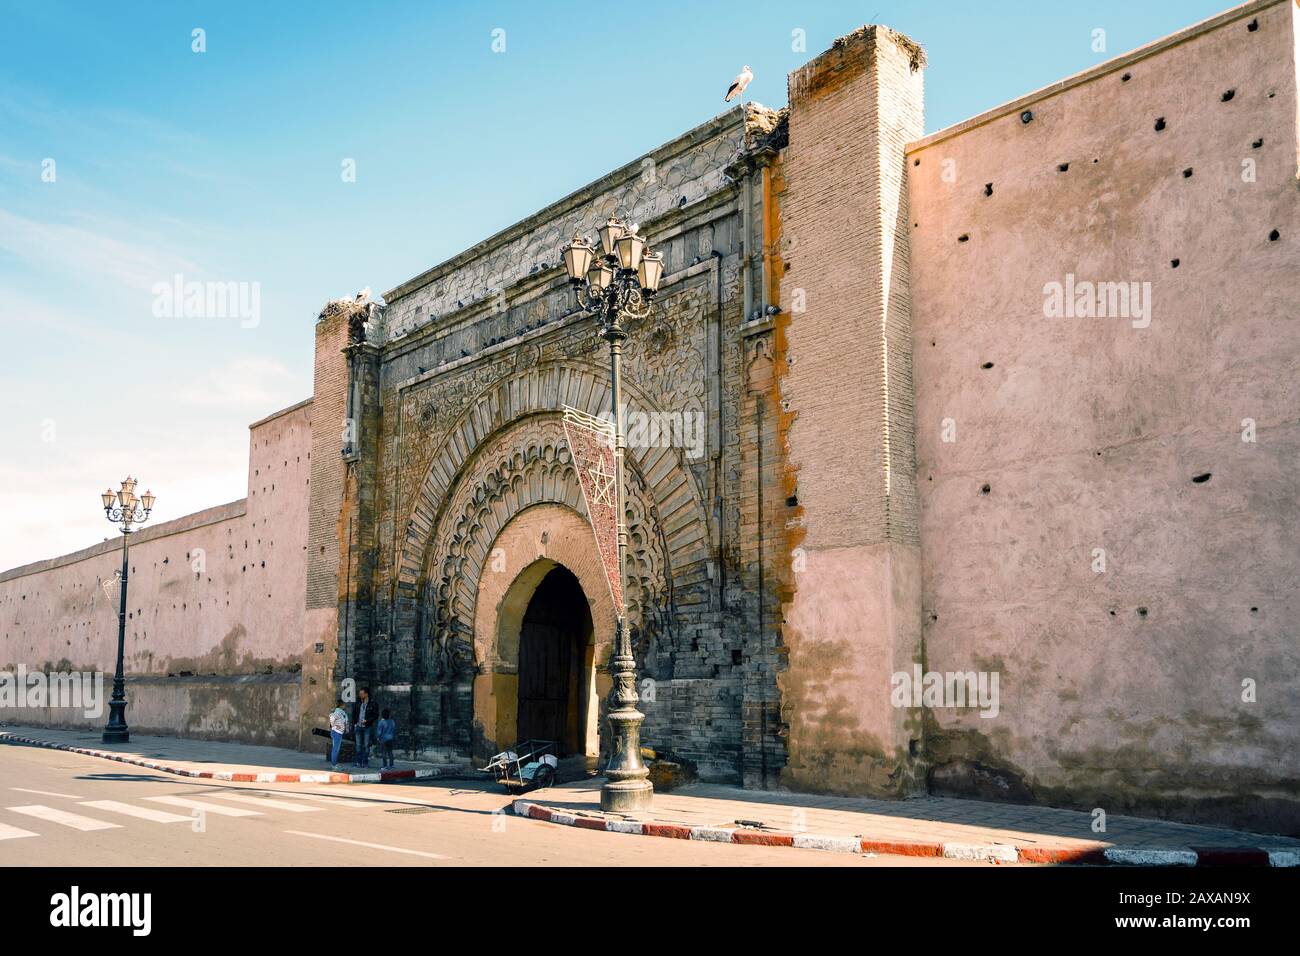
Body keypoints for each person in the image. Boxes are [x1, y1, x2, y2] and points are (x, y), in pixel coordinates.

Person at [351, 687, 376, 769]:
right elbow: (354, 714)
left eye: (362, 693)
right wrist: (354, 724)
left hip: (367, 727)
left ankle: (365, 763)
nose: (360, 695)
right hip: (358, 727)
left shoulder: (373, 703)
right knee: (358, 745)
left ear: (366, 694)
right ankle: (358, 762)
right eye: (360, 693)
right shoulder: (357, 703)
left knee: (366, 745)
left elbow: (375, 715)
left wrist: (367, 721)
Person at [328, 700, 349, 771]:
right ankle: (334, 765)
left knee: (337, 749)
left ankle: (335, 764)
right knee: (335, 749)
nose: (345, 706)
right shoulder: (337, 712)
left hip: (339, 732)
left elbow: (345, 721)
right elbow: (331, 718)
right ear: (341, 705)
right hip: (336, 732)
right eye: (344, 705)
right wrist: (334, 726)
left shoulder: (342, 713)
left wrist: (345, 728)